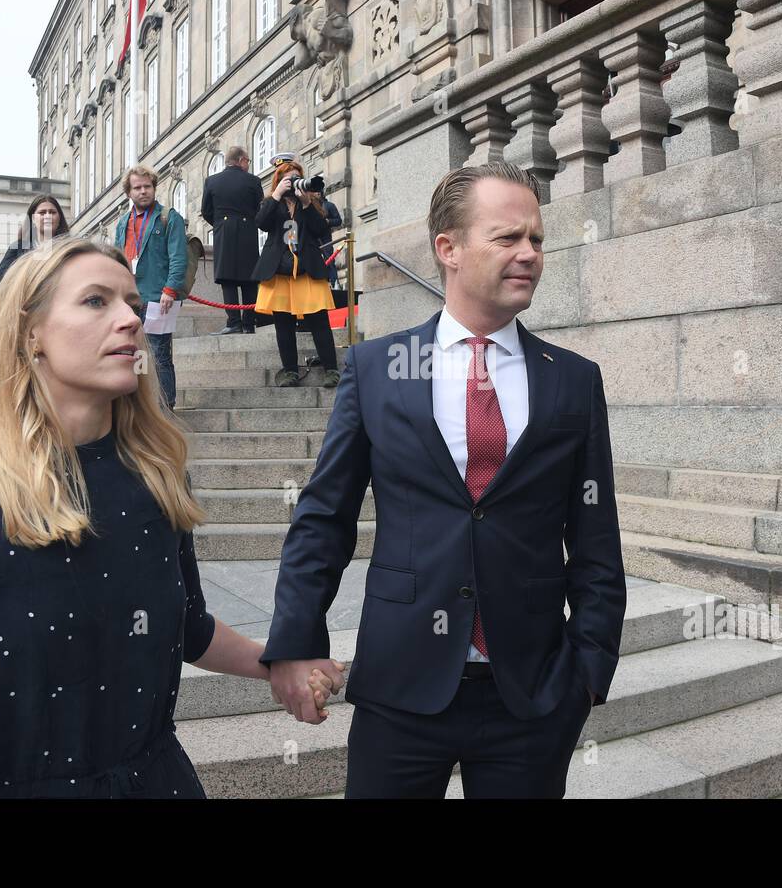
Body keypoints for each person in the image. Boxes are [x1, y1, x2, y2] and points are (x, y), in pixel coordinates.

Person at [0, 237, 343, 798]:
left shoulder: (155, 475)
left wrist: (279, 663)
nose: (130, 317)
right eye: (97, 301)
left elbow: (188, 628)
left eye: (130, 300)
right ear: (32, 335)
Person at [262, 161, 627, 798]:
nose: (530, 254)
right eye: (507, 238)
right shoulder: (378, 369)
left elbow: (597, 540)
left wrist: (590, 668)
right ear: (448, 249)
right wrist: (295, 641)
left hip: (533, 698)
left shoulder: (573, 380)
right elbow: (324, 517)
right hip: (399, 688)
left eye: (536, 239)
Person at [253, 158, 340, 388]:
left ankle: (331, 369)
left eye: (295, 178)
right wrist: (276, 195)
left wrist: (306, 204)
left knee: (319, 321)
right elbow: (261, 223)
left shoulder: (310, 202)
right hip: (279, 272)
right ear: (279, 181)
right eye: (287, 179)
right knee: (284, 324)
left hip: (307, 270)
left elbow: (322, 230)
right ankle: (289, 371)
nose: (292, 183)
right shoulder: (272, 202)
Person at [113, 165, 186, 409]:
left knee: (160, 354)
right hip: (131, 300)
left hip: (159, 297)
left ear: (154, 188)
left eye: (147, 186)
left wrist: (170, 290)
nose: (143, 191)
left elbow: (178, 258)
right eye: (137, 188)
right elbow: (118, 259)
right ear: (129, 193)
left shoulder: (168, 217)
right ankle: (142, 404)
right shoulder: (123, 223)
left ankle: (166, 406)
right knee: (136, 352)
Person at [200, 147, 264, 335]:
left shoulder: (211, 181)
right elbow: (258, 208)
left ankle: (233, 322)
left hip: (224, 232)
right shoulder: (253, 181)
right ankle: (249, 324)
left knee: (227, 278)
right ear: (242, 160)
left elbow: (206, 210)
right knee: (249, 279)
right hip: (248, 231)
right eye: (248, 161)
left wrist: (220, 223)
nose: (248, 165)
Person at [0, 194, 70, 293]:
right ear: (33, 219)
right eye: (42, 213)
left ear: (59, 219)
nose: (48, 216)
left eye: (52, 212)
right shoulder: (18, 248)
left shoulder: (69, 249)